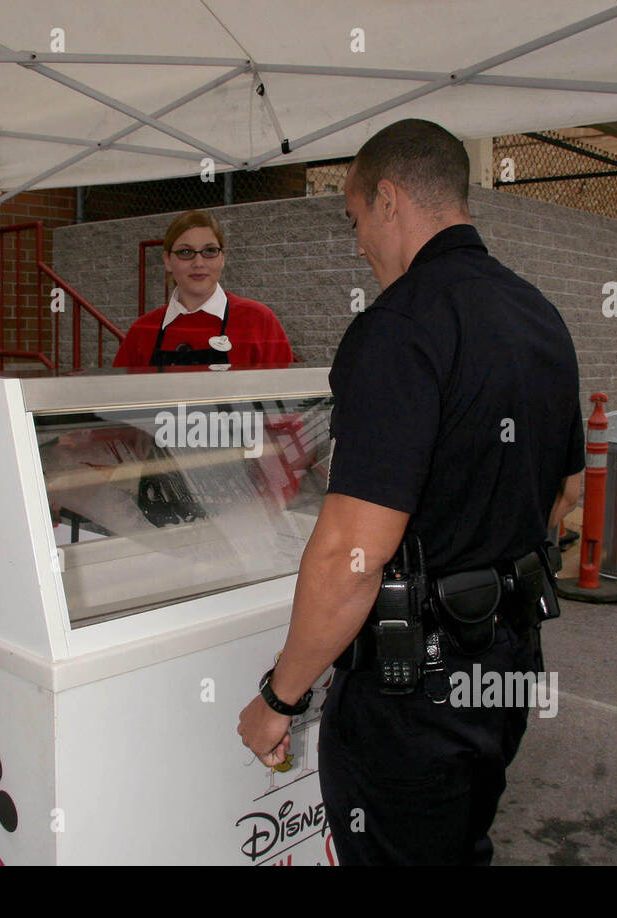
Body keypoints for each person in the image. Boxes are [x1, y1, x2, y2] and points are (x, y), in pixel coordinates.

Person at [236, 119, 585, 865]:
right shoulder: (540, 317)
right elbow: (562, 500)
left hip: (415, 692)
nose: (359, 242)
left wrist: (278, 699)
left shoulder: (398, 329)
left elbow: (353, 557)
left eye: (357, 219)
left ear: (388, 199)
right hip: (506, 669)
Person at [112, 209, 295, 368]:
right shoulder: (142, 330)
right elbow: (116, 402)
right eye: (186, 252)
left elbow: (288, 401)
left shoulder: (259, 322)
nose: (198, 263)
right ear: (167, 260)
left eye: (209, 251)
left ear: (222, 257)